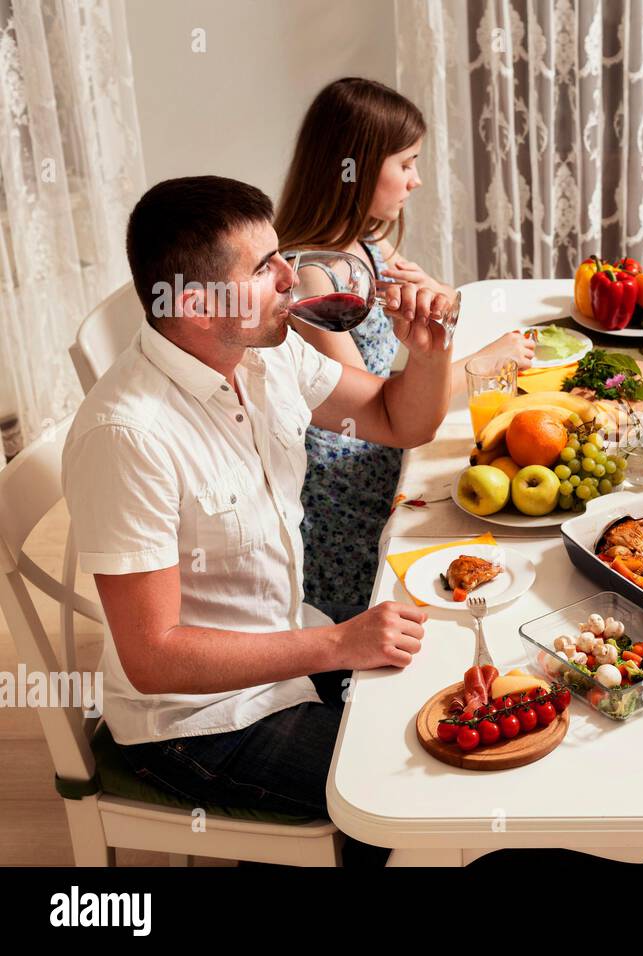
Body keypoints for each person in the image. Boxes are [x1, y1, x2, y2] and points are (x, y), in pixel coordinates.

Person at [62, 175, 453, 827]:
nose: (291, 280)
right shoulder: (128, 437)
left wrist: (429, 353)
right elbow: (153, 656)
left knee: (459, 692)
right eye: (264, 268)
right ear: (193, 305)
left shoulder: (263, 355)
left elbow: (397, 419)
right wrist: (336, 645)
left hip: (287, 644)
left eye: (281, 257)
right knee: (416, 793)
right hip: (201, 724)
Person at [275, 77, 535, 621]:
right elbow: (372, 409)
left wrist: (444, 309)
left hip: (385, 438)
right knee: (495, 526)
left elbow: (416, 357)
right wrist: (484, 361)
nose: (416, 181)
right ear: (356, 166)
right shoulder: (313, 278)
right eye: (406, 163)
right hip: (347, 487)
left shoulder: (365, 242)